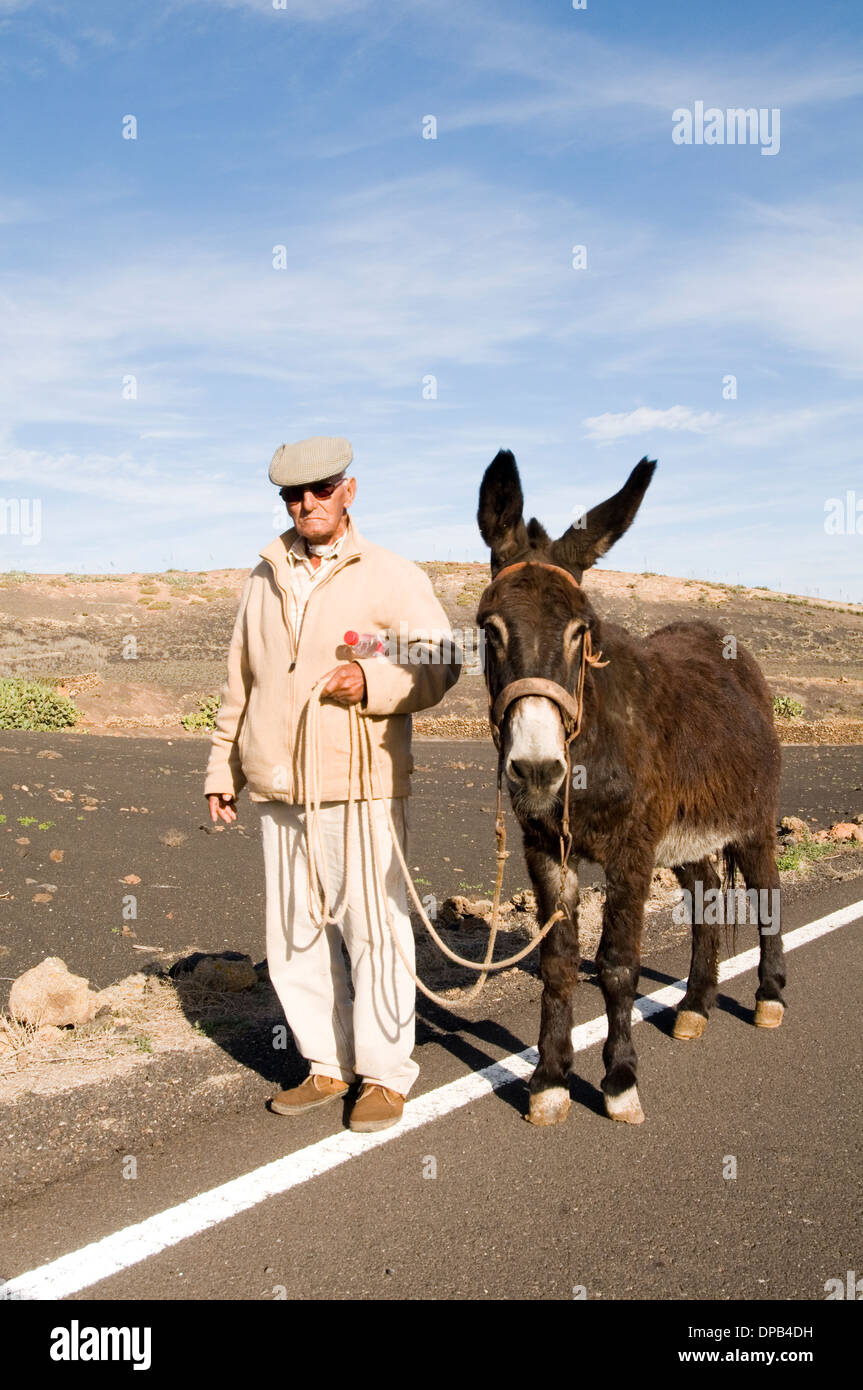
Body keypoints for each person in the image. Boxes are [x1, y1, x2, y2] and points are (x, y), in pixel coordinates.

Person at [205, 436, 460, 1132]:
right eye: (293, 494)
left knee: (374, 934)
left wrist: (372, 679)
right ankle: (324, 1065)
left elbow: (440, 663)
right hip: (278, 789)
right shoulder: (262, 575)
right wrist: (223, 768)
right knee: (293, 938)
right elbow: (241, 681)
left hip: (360, 785)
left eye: (320, 489)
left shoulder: (391, 574)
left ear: (349, 491)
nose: (306, 503)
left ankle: (383, 1074)